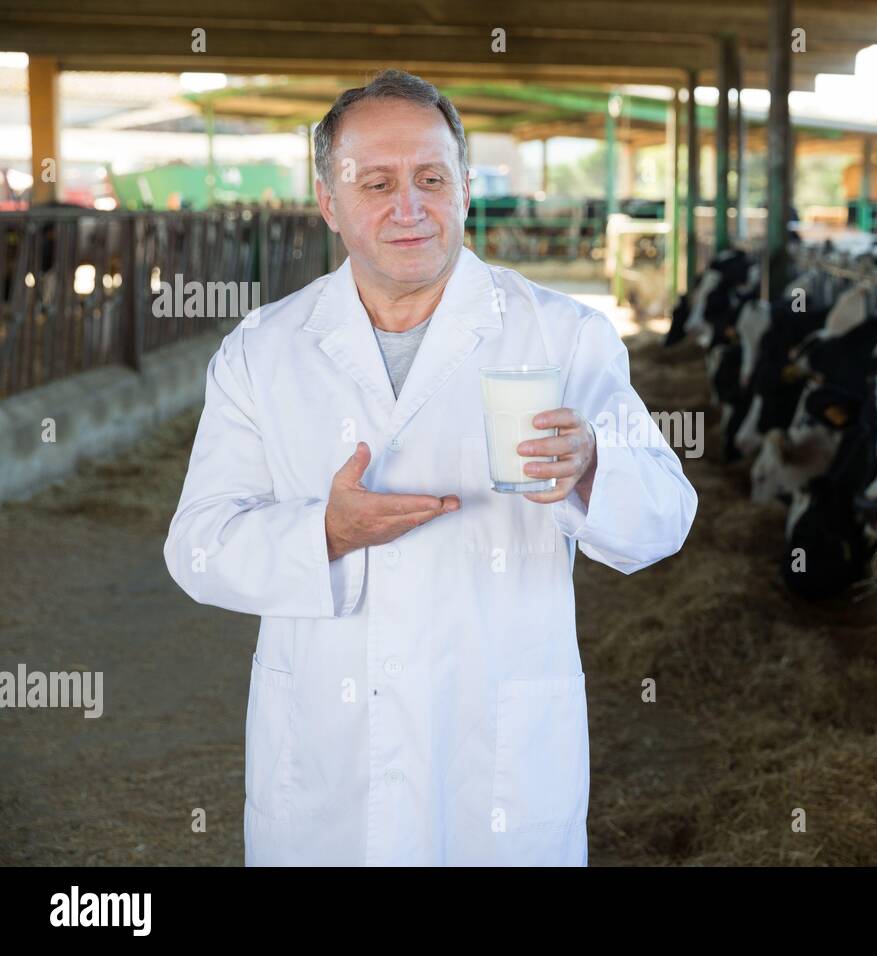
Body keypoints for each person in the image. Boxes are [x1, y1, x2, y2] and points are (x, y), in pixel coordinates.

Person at [163, 69, 698, 866]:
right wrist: (324, 534)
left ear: (466, 189)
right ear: (328, 202)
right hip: (327, 762)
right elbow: (197, 548)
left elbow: (665, 517)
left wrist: (592, 468)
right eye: (375, 182)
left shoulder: (563, 337)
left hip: (495, 756)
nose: (408, 207)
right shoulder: (261, 351)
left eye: (431, 179)